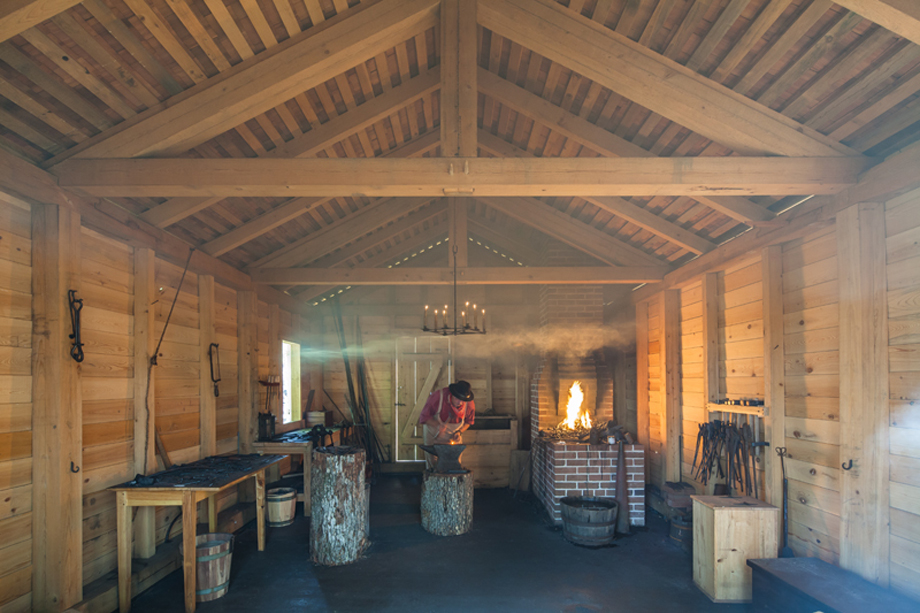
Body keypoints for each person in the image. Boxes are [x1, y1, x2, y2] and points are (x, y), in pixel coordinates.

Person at [418, 380, 475, 469]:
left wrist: (459, 432)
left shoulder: (469, 403)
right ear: (452, 394)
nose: (460, 402)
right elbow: (423, 417)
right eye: (457, 398)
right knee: (433, 464)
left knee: (455, 463)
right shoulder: (438, 397)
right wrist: (437, 425)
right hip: (434, 435)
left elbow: (468, 422)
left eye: (462, 400)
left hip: (453, 437)